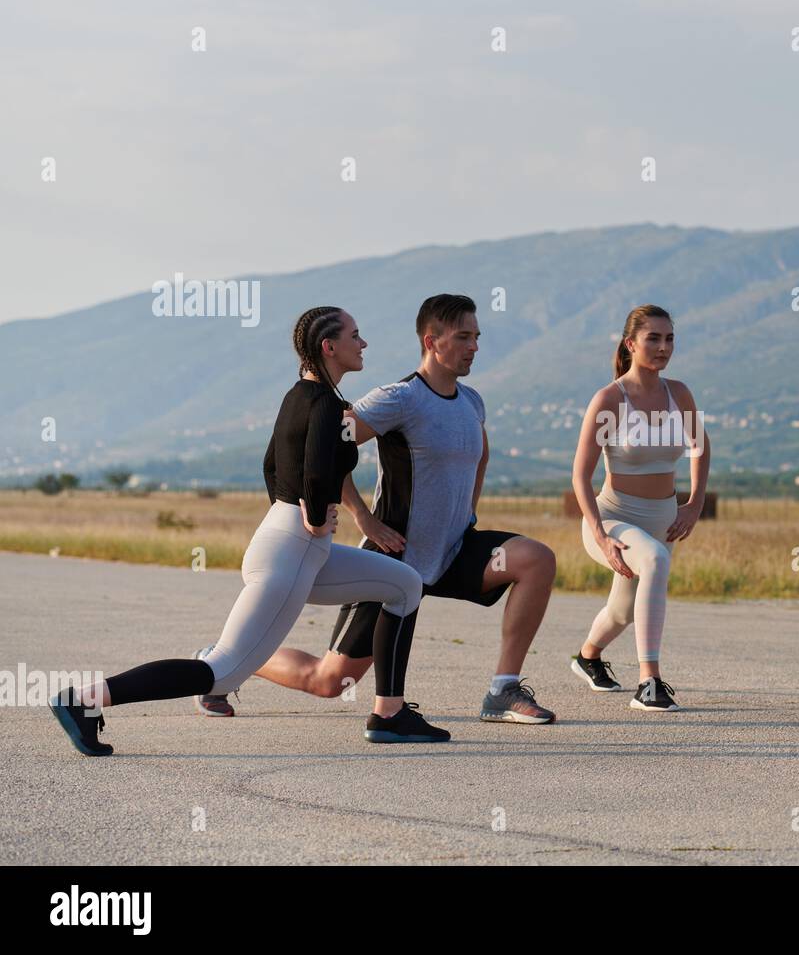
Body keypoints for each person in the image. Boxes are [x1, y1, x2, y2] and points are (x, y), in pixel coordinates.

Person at [49, 306, 446, 756]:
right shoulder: (329, 406)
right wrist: (315, 518)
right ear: (328, 347)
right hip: (294, 549)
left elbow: (271, 465)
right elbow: (317, 474)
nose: (364, 343)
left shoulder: (298, 395)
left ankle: (390, 714)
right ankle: (83, 699)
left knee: (405, 584)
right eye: (356, 335)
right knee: (221, 672)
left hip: (291, 542)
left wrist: (297, 514)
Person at [197, 294, 559, 725]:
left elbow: (479, 459)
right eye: (463, 336)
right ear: (432, 340)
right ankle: (224, 663)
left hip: (455, 550)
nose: (474, 346)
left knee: (537, 559)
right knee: (329, 681)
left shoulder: (473, 402)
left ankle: (502, 690)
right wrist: (364, 518)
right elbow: (329, 448)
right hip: (395, 553)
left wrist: (466, 516)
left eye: (477, 337)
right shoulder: (398, 398)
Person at [570, 304, 710, 711]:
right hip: (613, 517)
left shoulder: (679, 394)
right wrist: (600, 534)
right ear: (631, 344)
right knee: (652, 562)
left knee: (622, 611)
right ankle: (650, 682)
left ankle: (587, 657)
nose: (663, 347)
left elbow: (701, 447)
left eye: (669, 339)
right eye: (653, 338)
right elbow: (580, 476)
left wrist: (694, 503)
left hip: (665, 519)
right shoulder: (610, 399)